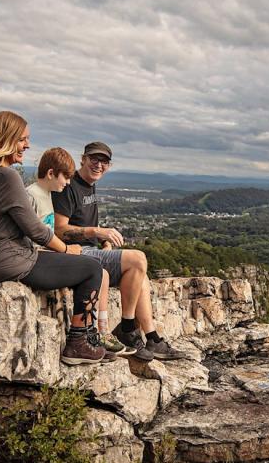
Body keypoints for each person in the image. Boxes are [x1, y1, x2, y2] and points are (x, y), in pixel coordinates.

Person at [0, 111, 108, 365]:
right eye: (22, 139)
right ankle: (79, 343)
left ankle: (81, 340)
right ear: (6, 138)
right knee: (91, 269)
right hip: (16, 261)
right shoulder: (6, 176)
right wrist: (66, 249)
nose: (27, 145)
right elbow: (36, 230)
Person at [52, 141, 191, 362]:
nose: (99, 165)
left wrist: (103, 243)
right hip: (74, 254)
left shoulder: (90, 185)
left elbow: (90, 231)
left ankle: (152, 338)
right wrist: (97, 231)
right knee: (138, 258)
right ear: (83, 159)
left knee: (140, 274)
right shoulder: (69, 186)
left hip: (91, 251)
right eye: (94, 159)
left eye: (104, 161)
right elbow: (59, 230)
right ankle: (127, 329)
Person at [26, 147, 128, 356]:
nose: (67, 183)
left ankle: (95, 332)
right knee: (94, 268)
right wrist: (65, 249)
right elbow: (32, 234)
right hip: (39, 257)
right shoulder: (32, 195)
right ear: (51, 173)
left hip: (51, 253)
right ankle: (83, 336)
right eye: (65, 177)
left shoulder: (48, 194)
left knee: (102, 273)